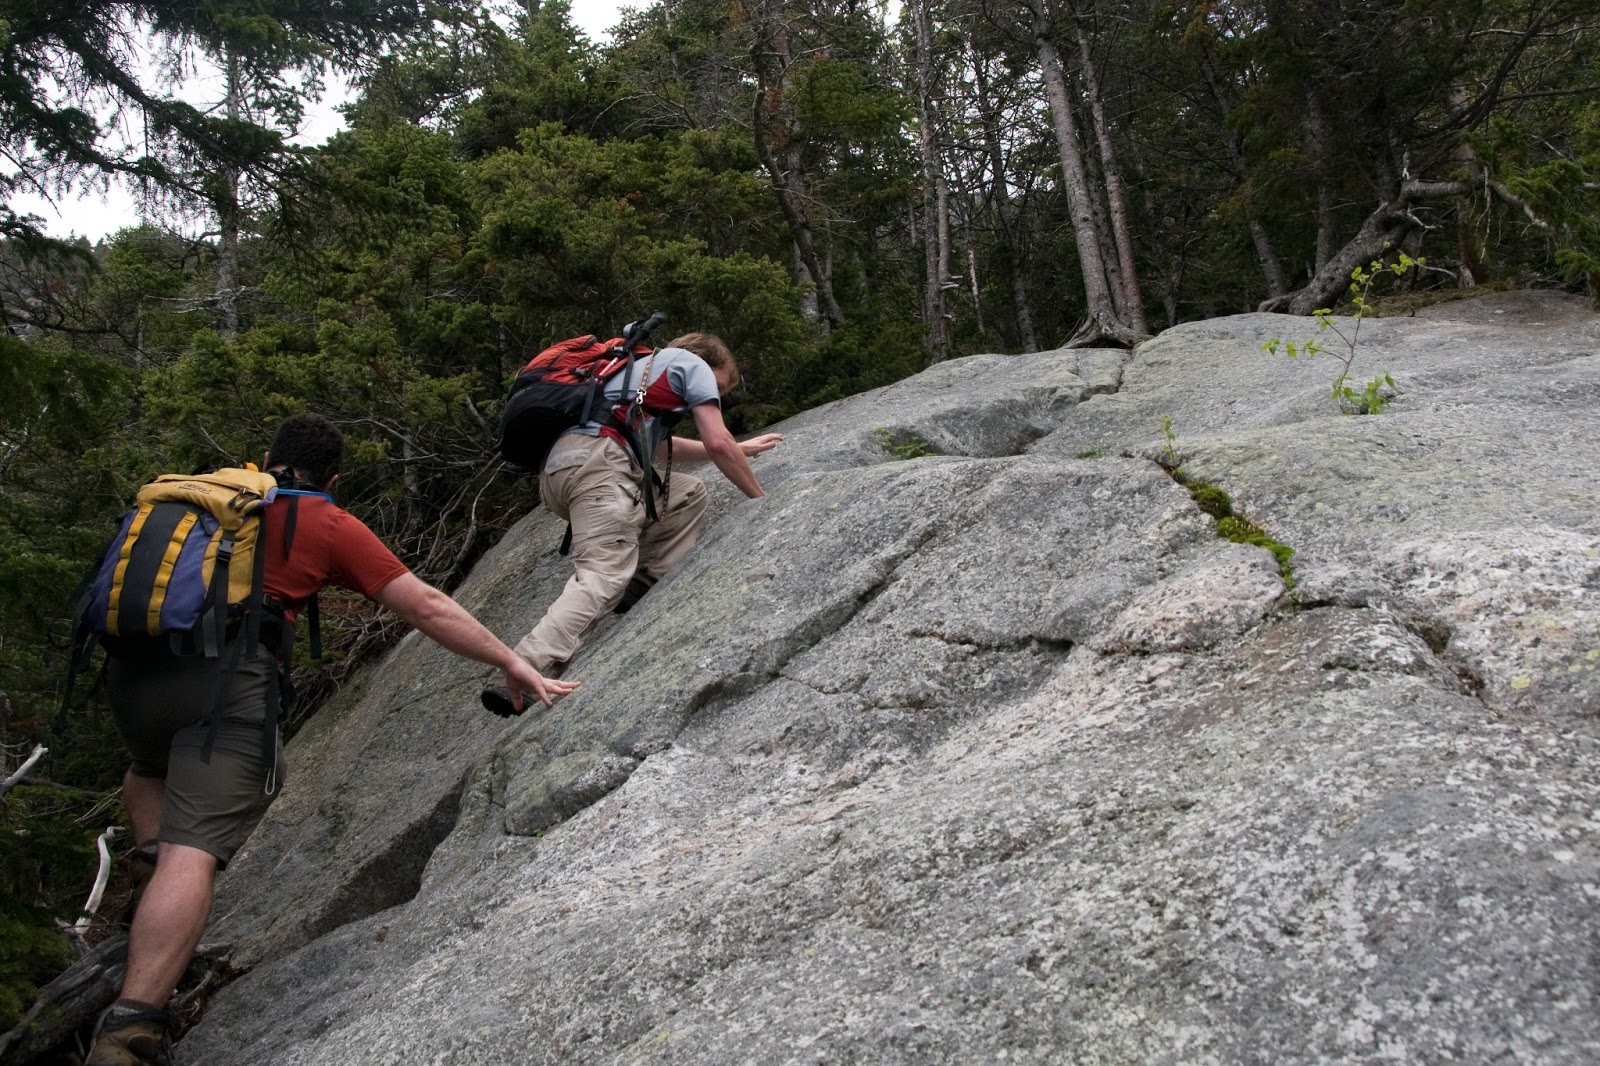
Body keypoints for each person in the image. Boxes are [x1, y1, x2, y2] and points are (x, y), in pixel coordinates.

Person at [85, 414, 578, 1066]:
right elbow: (425, 605)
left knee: (148, 771)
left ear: (266, 457)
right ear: (334, 479)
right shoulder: (322, 521)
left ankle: (150, 890)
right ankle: (131, 1027)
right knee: (192, 850)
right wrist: (512, 659)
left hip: (131, 677)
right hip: (222, 682)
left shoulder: (203, 500)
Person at [484, 333, 780, 711]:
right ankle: (525, 667)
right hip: (601, 468)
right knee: (603, 573)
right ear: (705, 362)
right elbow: (717, 441)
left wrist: (739, 448)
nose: (716, 395)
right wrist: (763, 501)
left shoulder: (633, 372)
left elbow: (660, 447)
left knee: (685, 494)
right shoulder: (690, 364)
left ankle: (639, 582)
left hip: (561, 472)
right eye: (719, 386)